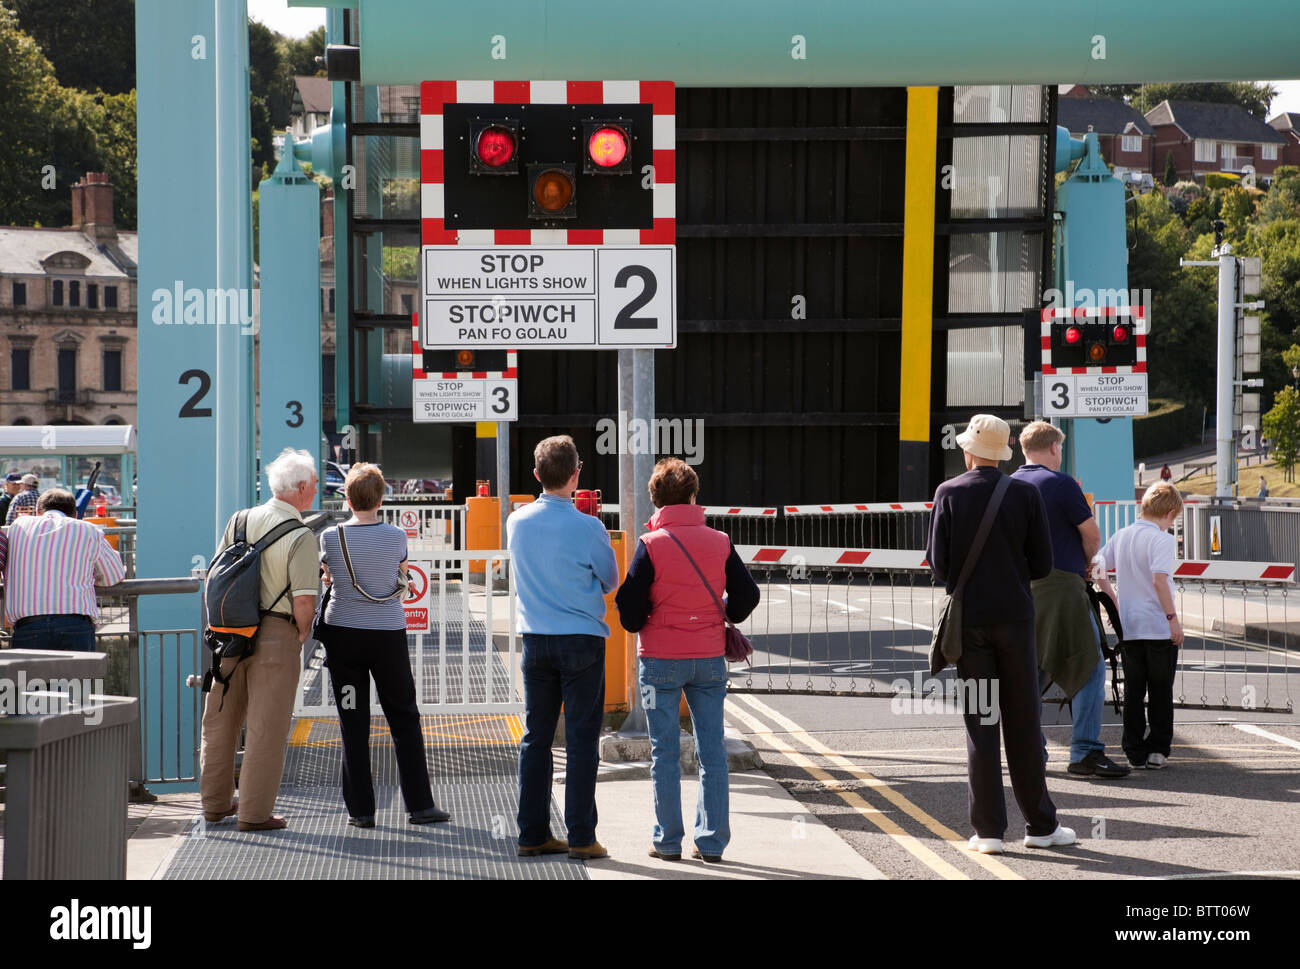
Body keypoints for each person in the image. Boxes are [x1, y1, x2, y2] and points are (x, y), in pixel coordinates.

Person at [927, 414, 1075, 854]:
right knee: (1024, 723)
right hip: (1016, 619)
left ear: (969, 451)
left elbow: (938, 565)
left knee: (981, 724)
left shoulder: (947, 493)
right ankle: (1041, 826)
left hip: (970, 624)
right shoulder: (1025, 493)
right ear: (1002, 453)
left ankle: (988, 831)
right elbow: (1042, 564)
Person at [615, 458, 759, 864]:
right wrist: (721, 612)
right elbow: (748, 596)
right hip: (709, 658)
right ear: (694, 497)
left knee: (664, 751)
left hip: (660, 658)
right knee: (712, 750)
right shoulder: (719, 541)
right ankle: (711, 843)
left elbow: (628, 609)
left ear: (655, 500)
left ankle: (667, 841)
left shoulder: (651, 545)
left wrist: (652, 618)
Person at [317, 462, 450, 828]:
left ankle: (361, 810)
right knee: (403, 715)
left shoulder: (331, 537)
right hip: (387, 636)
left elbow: (328, 575)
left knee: (352, 720)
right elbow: (400, 574)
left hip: (342, 636)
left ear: (346, 496)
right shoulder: (395, 537)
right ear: (381, 498)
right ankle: (420, 806)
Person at [507, 435, 619, 860]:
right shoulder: (589, 527)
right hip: (582, 640)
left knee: (536, 738)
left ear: (536, 475)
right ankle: (581, 836)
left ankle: (532, 833)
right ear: (577, 475)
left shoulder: (516, 521)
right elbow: (610, 580)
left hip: (535, 640)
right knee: (580, 738)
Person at [199, 448, 320, 832]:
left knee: (219, 720)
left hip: (228, 635)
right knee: (266, 726)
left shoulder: (239, 520)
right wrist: (301, 633)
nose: (315, 492)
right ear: (300, 488)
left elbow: (214, 575)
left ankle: (215, 805)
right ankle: (254, 813)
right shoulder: (300, 534)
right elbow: (303, 599)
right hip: (274, 634)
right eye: (314, 485)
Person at [1012, 421, 1130, 779]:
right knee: (1091, 664)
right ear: (1052, 449)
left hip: (1021, 589)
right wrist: (1085, 564)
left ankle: (1031, 752)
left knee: (1032, 670)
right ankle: (1085, 752)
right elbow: (1091, 535)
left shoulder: (1010, 485)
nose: (1060, 455)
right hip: (1063, 586)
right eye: (1060, 449)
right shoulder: (1060, 483)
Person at [1093, 482, 1184, 769]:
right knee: (1160, 690)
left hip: (1130, 627)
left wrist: (1114, 600)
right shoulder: (1162, 540)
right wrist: (1173, 620)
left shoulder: (1122, 535)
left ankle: (1133, 750)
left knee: (1134, 691)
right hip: (1157, 626)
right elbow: (1159, 581)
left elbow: (1095, 567)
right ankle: (1158, 749)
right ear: (1170, 513)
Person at [1, 489, 125, 651]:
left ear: (38, 512)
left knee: (30, 677)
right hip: (76, 624)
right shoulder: (89, 530)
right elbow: (113, 576)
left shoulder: (18, 527)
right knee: (78, 676)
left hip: (28, 625)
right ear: (75, 514)